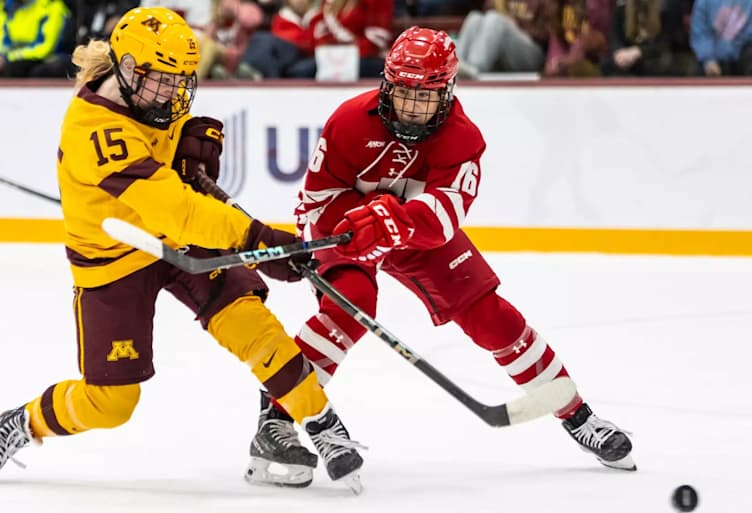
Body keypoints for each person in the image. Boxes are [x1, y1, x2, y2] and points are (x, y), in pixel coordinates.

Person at [0, 7, 364, 493]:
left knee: (248, 320)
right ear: (129, 70)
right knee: (111, 403)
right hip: (115, 259)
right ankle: (26, 423)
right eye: (164, 82)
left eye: (183, 81)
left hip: (175, 240)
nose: (176, 94)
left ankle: (320, 423)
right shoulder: (94, 131)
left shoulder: (150, 95)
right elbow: (177, 211)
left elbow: (175, 182)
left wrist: (187, 158)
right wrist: (259, 240)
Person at [243, 25, 636, 488]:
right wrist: (354, 227)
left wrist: (394, 222)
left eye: (424, 96)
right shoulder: (349, 121)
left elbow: (443, 216)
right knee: (348, 308)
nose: (410, 107)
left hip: (417, 236)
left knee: (493, 318)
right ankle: (276, 421)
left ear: (447, 91)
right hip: (350, 230)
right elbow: (314, 202)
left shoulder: (462, 138)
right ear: (387, 83)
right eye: (403, 92)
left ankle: (577, 415)